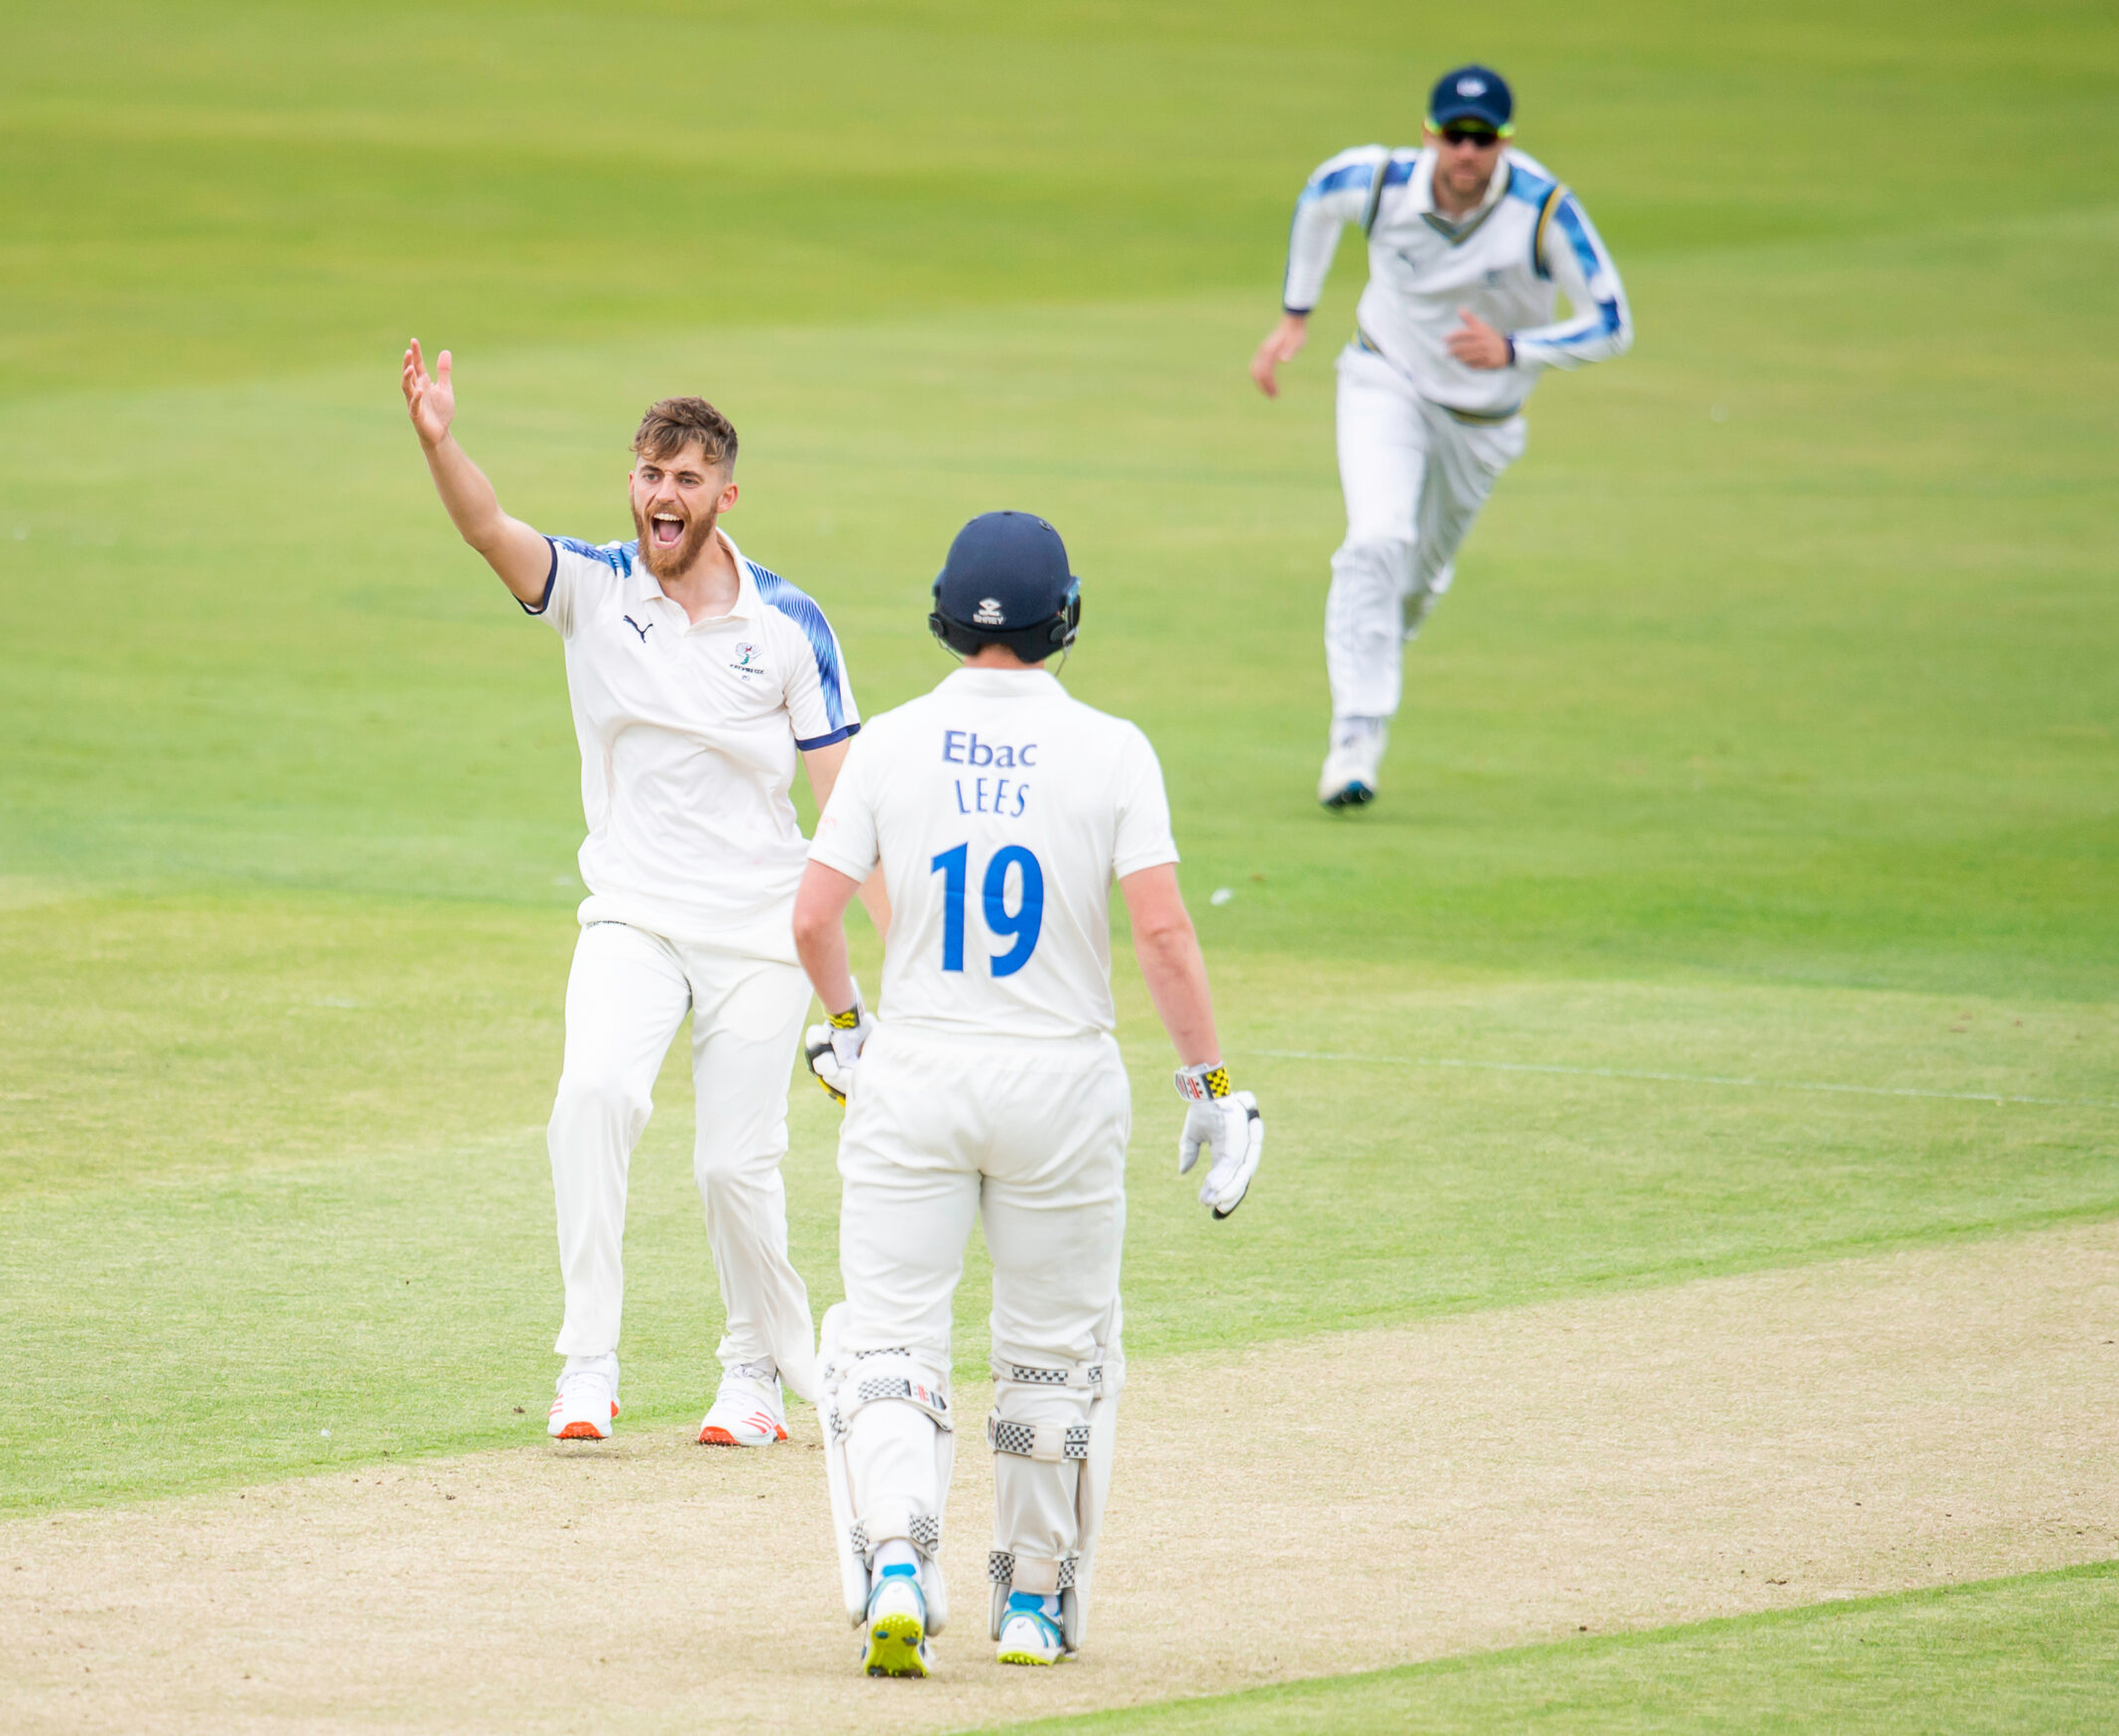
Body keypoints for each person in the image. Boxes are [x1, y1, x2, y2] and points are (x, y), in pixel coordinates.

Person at [790, 512, 1263, 1677]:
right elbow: (1159, 929)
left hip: (918, 1071)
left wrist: (853, 1031)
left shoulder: (889, 743)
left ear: (946, 614)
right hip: (1061, 1080)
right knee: (1052, 1353)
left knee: (891, 1335)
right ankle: (1032, 1607)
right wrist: (1208, 1084)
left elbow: (810, 915)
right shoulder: (1111, 747)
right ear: (1068, 618)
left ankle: (897, 1561)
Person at [400, 341, 883, 1447]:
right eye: (648, 474)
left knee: (731, 1164)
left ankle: (755, 1371)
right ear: (633, 482)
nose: (664, 495)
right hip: (631, 913)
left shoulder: (788, 625)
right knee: (593, 1098)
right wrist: (441, 440)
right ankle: (587, 1363)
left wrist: (884, 976)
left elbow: (848, 814)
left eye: (686, 478)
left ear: (723, 494)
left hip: (761, 930)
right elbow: (488, 530)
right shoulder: (593, 585)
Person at [1250, 64, 1632, 809]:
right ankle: (1355, 739)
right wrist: (1296, 313)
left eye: (1483, 139)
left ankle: (1384, 644)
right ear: (1429, 134)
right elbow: (1317, 199)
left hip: (1482, 422)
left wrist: (1519, 350)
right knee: (1376, 539)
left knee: (1413, 582)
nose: (1466, 153)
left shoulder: (1542, 209)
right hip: (1383, 379)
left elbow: (1613, 322)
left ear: (1504, 144)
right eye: (1453, 136)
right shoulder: (1378, 180)